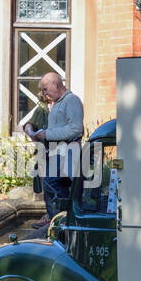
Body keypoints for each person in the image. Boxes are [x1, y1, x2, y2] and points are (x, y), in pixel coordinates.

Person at [25, 72, 85, 223]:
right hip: (56, 152)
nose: (44, 93)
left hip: (67, 152)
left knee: (51, 183)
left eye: (45, 89)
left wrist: (47, 134)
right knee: (55, 186)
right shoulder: (57, 103)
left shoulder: (72, 100)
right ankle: (61, 220)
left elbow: (76, 128)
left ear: (55, 84)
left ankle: (60, 220)